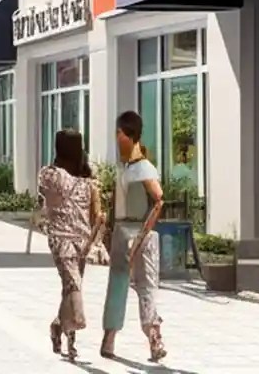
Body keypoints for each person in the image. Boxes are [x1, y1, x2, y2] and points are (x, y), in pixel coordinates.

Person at [100, 111, 166, 362]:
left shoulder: (144, 168)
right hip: (121, 232)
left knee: (146, 287)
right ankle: (109, 338)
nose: (116, 138)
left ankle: (154, 338)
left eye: (119, 133)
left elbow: (158, 200)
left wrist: (143, 235)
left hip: (141, 233)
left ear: (129, 135)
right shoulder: (123, 166)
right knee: (117, 286)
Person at [38, 129, 104, 361]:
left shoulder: (87, 181)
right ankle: (75, 326)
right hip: (60, 239)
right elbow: (45, 195)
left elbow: (95, 213)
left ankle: (59, 327)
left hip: (82, 241)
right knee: (73, 284)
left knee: (69, 288)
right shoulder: (51, 175)